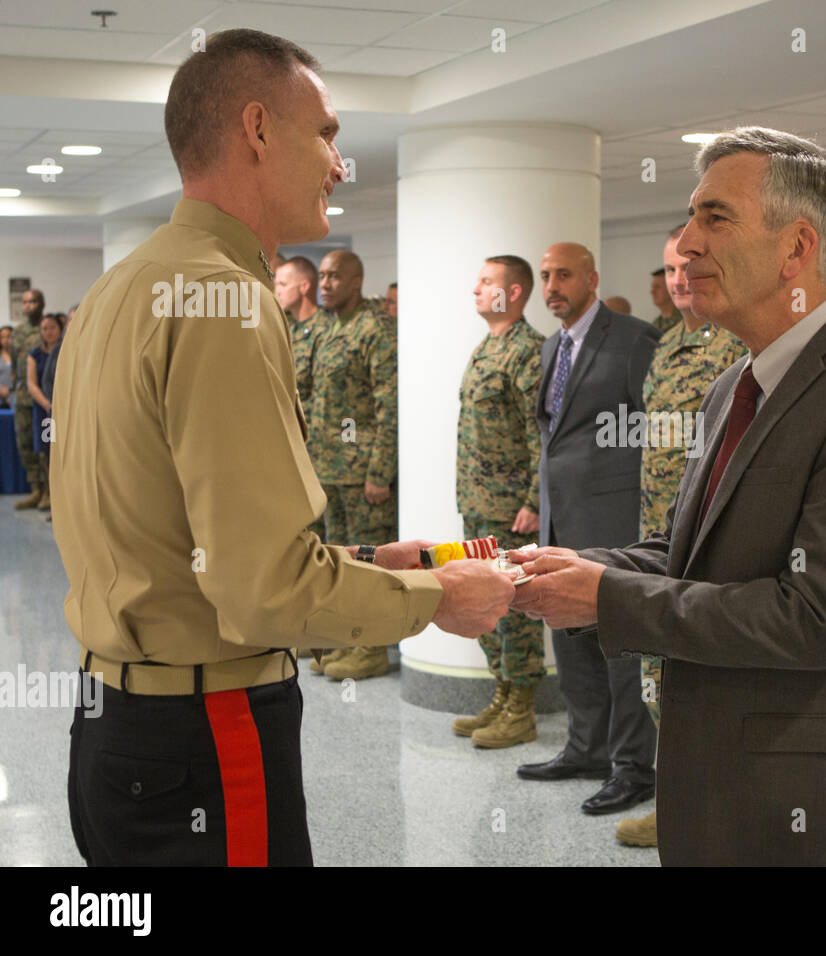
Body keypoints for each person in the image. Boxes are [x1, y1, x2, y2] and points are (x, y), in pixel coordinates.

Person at [49, 28, 512, 867]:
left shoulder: (121, 286)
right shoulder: (226, 298)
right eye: (327, 134)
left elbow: (172, 534)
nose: (340, 163)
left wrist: (368, 558)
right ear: (257, 129)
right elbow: (261, 593)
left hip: (110, 720)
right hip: (204, 731)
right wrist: (434, 595)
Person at [510, 127, 826, 866]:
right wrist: (570, 567)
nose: (683, 245)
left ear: (796, 249)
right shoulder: (735, 385)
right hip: (719, 778)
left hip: (810, 799)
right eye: (690, 219)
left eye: (715, 218)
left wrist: (607, 599)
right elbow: (693, 553)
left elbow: (811, 617)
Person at [514, 241, 660, 818]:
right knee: (568, 636)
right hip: (559, 517)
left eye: (565, 275)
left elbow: (651, 431)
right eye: (547, 275)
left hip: (615, 519)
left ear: (592, 279)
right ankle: (585, 749)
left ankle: (633, 769)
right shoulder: (553, 344)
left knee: (618, 644)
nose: (553, 285)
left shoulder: (631, 338)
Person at [616, 223, 747, 849]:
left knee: (701, 684)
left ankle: (710, 808)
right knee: (657, 677)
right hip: (660, 533)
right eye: (669, 270)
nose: (678, 279)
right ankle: (675, 802)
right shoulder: (667, 344)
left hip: (708, 541)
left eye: (687, 267)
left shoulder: (734, 349)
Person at [451, 255, 547, 748]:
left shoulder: (529, 351)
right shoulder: (486, 348)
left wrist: (535, 500)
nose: (475, 289)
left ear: (512, 294)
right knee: (486, 605)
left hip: (513, 509)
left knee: (515, 605)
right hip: (479, 503)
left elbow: (540, 435)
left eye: (486, 281)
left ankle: (523, 710)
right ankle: (502, 694)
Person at [304, 248, 401, 681]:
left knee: (370, 564)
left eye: (334, 276)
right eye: (322, 276)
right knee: (338, 563)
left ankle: (373, 648)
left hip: (362, 473)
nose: (325, 284)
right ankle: (348, 639)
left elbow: (390, 404)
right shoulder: (323, 327)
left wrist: (380, 473)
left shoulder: (376, 328)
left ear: (357, 281)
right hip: (326, 468)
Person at [11, 288, 45, 509]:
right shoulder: (19, 332)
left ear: (41, 303)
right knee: (25, 444)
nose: (27, 306)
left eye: (32, 301)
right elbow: (15, 364)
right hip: (23, 397)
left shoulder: (47, 328)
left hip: (43, 397)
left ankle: (49, 492)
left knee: (44, 444)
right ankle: (35, 490)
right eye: (24, 302)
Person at [26, 313, 64, 512]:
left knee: (63, 452)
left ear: (60, 328)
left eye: (52, 327)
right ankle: (47, 494)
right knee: (47, 453)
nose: (48, 332)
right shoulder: (35, 354)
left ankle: (62, 496)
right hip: (45, 411)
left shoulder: (67, 350)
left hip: (64, 411)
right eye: (45, 328)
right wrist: (48, 405)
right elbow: (32, 384)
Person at [274, 255, 320, 397]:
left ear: (304, 287)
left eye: (283, 284)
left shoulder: (325, 328)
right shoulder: (289, 327)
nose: (277, 291)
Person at [649, 267, 681, 334]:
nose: (652, 292)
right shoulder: (654, 326)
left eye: (658, 287)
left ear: (672, 289)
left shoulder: (686, 321)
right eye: (652, 287)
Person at [0, 325, 13, 408]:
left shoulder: (18, 356)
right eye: (2, 337)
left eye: (8, 336)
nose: (5, 340)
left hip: (15, 398)